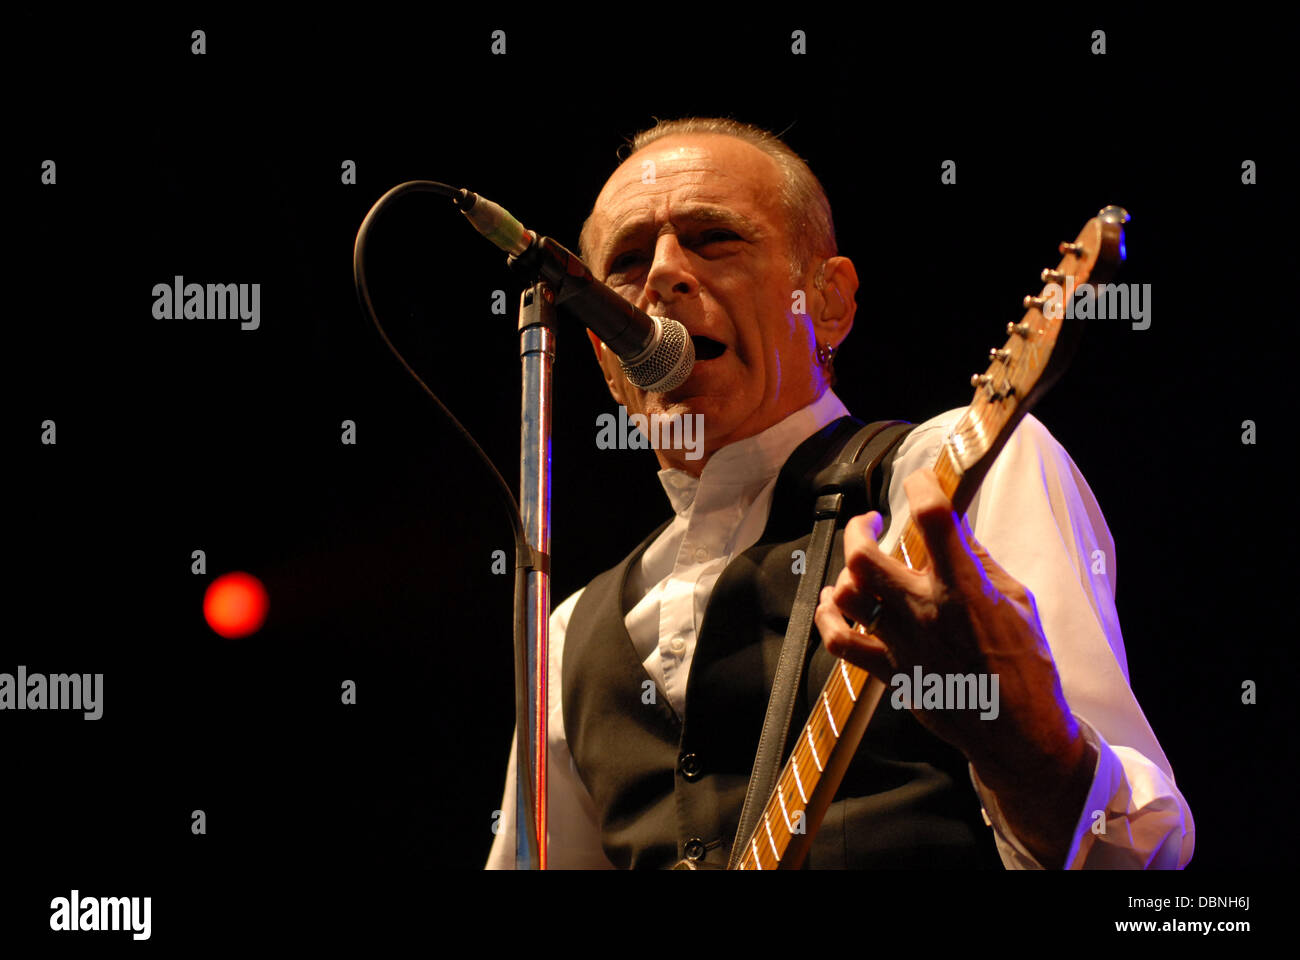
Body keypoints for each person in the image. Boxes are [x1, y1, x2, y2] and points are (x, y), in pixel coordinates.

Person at [485, 117, 1194, 870]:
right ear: (604, 356)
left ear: (829, 301)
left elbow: (1136, 858)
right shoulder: (567, 636)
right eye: (627, 260)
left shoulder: (954, 473)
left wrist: (1014, 734)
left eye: (714, 238)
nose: (663, 273)